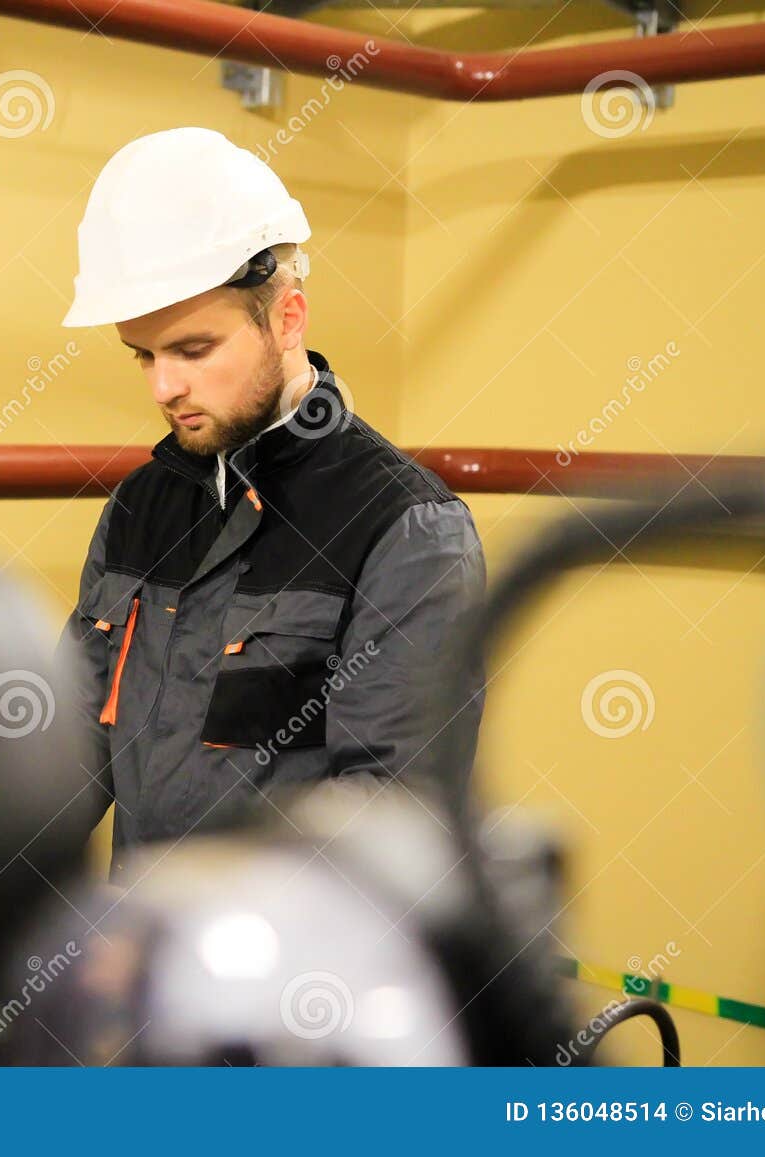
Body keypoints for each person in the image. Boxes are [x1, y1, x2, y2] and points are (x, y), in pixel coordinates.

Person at [57, 127, 487, 876]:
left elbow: (388, 830)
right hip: (145, 954)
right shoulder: (140, 506)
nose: (163, 388)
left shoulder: (403, 530)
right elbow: (67, 756)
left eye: (193, 351)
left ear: (287, 318)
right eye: (144, 356)